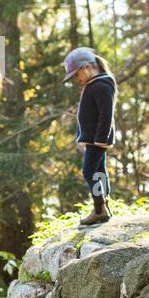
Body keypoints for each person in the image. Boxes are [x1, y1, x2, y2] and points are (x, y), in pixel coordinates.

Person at [62, 47, 116, 226]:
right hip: (94, 138)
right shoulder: (95, 84)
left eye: (76, 75)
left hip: (98, 139)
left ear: (86, 67)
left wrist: (100, 138)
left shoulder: (101, 85)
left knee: (89, 171)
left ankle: (99, 208)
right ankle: (104, 206)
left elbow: (106, 114)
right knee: (99, 170)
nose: (77, 80)